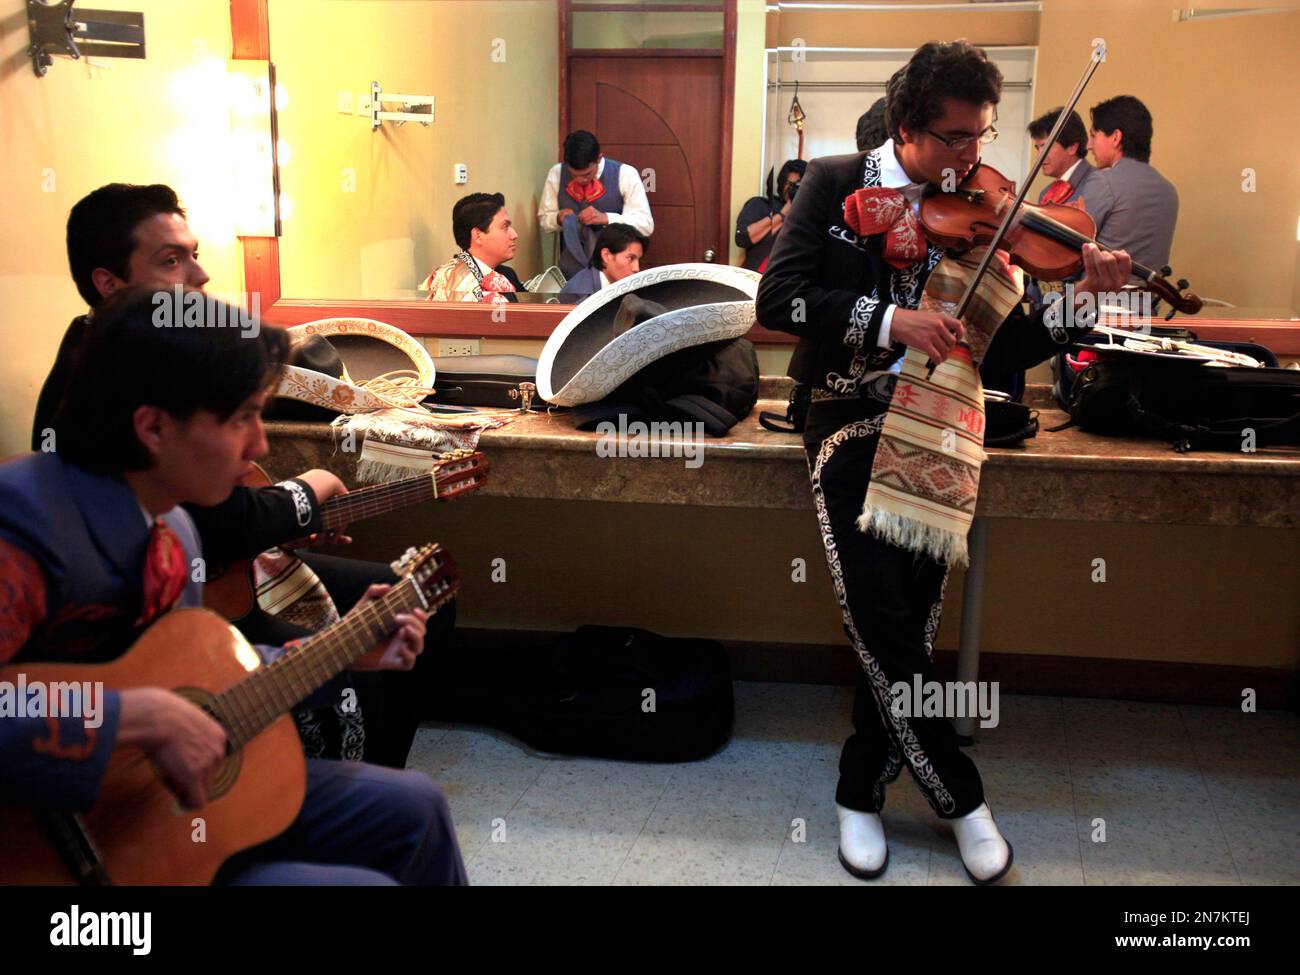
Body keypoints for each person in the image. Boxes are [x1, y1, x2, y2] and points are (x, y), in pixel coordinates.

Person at [757, 40, 1132, 884]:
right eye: (956, 139)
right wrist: (895, 325)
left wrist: (1086, 296)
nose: (974, 159)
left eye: (983, 137)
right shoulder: (833, 181)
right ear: (906, 125)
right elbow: (777, 299)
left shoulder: (982, 212)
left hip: (946, 428)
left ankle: (862, 785)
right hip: (851, 413)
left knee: (907, 622)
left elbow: (1010, 348)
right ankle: (964, 801)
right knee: (880, 614)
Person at [0, 287, 467, 884]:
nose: (261, 445)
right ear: (153, 428)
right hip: (48, 848)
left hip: (159, 814)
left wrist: (346, 650)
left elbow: (201, 685)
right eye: (242, 418)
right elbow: (143, 706)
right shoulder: (23, 525)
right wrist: (132, 715)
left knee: (415, 808)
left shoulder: (174, 529)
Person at [33, 182, 451, 770]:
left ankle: (345, 795)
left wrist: (287, 533)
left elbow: (203, 534)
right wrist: (303, 494)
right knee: (357, 720)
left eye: (194, 254)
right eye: (171, 260)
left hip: (208, 598)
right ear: (110, 285)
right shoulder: (82, 420)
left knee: (404, 787)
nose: (200, 277)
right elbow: (218, 527)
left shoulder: (170, 390)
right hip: (157, 670)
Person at [539, 130, 654, 277]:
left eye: (587, 174)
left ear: (599, 158)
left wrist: (606, 218)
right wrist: (558, 218)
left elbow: (646, 225)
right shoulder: (556, 173)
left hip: (615, 272)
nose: (580, 180)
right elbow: (544, 220)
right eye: (574, 175)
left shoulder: (626, 174)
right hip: (571, 271)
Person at [1086, 95, 1179, 274]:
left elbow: (1075, 247)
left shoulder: (1103, 181)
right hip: (1148, 300)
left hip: (1100, 298)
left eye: (1093, 135)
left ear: (1115, 137)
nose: (1089, 145)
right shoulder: (1169, 190)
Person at [423, 191, 527, 303]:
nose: (514, 235)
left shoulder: (506, 273)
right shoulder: (458, 282)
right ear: (478, 235)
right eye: (504, 227)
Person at [734, 159, 806, 272]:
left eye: (799, 186)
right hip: (759, 280)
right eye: (790, 184)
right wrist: (784, 213)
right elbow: (742, 238)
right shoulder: (761, 205)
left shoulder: (811, 214)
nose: (795, 190)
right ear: (782, 184)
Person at [559, 224, 647, 300]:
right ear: (606, 255)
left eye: (638, 260)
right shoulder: (579, 292)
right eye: (631, 258)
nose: (637, 268)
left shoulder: (629, 288)